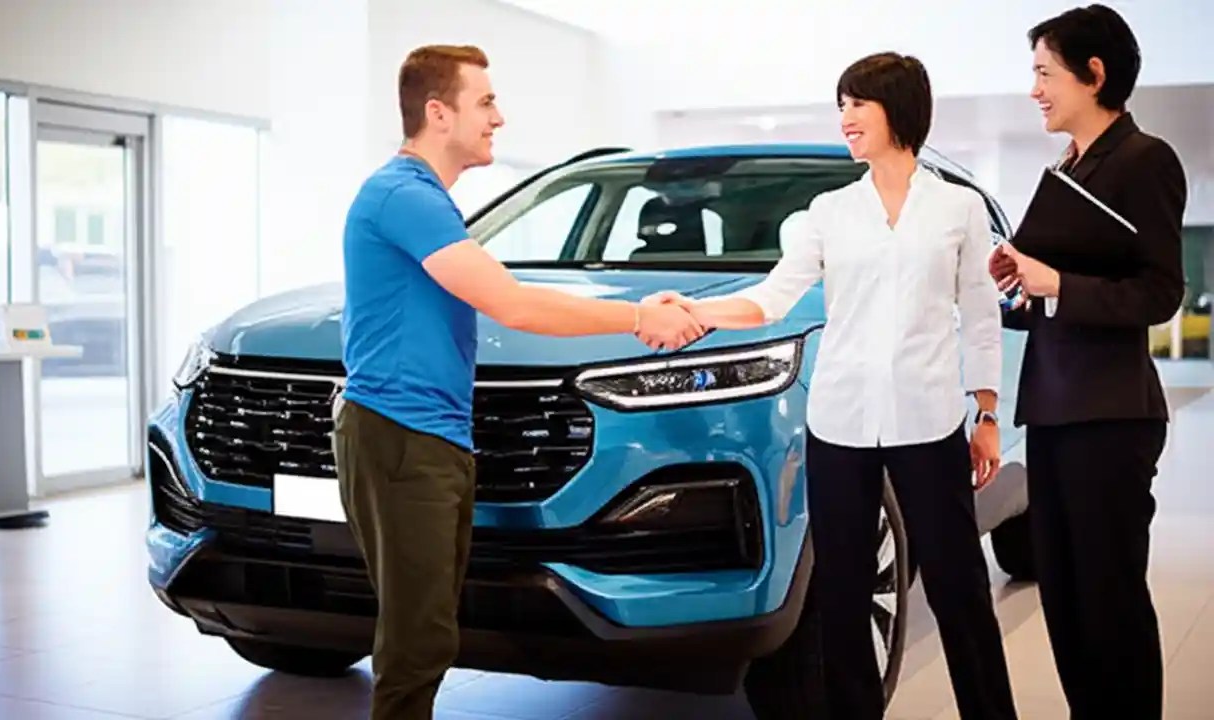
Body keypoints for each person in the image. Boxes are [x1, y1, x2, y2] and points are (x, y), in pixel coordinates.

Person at [332, 44, 703, 720]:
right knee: (417, 640)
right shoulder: (403, 196)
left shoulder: (423, 200)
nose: (499, 117)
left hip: (429, 435)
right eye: (486, 102)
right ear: (438, 113)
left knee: (427, 632)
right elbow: (514, 305)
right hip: (402, 435)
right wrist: (638, 316)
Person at [644, 53, 1018, 720]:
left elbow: (981, 312)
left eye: (857, 104)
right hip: (840, 424)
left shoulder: (957, 207)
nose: (844, 117)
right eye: (840, 104)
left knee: (959, 588)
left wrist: (986, 411)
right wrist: (699, 312)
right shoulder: (829, 209)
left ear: (897, 110)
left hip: (930, 422)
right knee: (842, 597)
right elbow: (771, 300)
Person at [989, 6, 1187, 719]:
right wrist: (1022, 284)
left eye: (1045, 72)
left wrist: (1058, 283)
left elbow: (1161, 292)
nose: (1035, 89)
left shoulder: (1144, 159)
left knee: (1110, 602)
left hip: (1110, 412)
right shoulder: (1069, 165)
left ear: (1094, 74)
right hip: (1054, 406)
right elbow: (1061, 291)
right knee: (1067, 601)